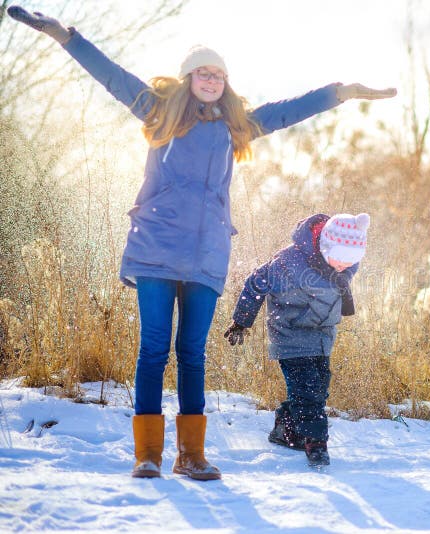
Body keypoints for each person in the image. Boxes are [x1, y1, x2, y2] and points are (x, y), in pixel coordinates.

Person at [7, 6, 395, 480]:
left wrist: (341, 92)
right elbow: (112, 76)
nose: (211, 79)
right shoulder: (157, 110)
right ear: (189, 77)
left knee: (192, 352)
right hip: (156, 249)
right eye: (203, 72)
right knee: (153, 349)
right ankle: (146, 454)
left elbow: (290, 111)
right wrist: (66, 37)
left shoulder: (237, 126)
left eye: (219, 74)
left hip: (207, 254)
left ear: (225, 82)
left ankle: (190, 455)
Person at [223, 212, 370, 468]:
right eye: (341, 260)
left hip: (322, 334)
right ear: (325, 246)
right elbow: (255, 284)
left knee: (319, 388)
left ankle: (285, 429)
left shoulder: (344, 261)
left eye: (351, 262)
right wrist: (241, 321)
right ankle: (316, 443)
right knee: (307, 389)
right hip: (289, 334)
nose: (345, 267)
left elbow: (343, 271)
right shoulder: (287, 262)